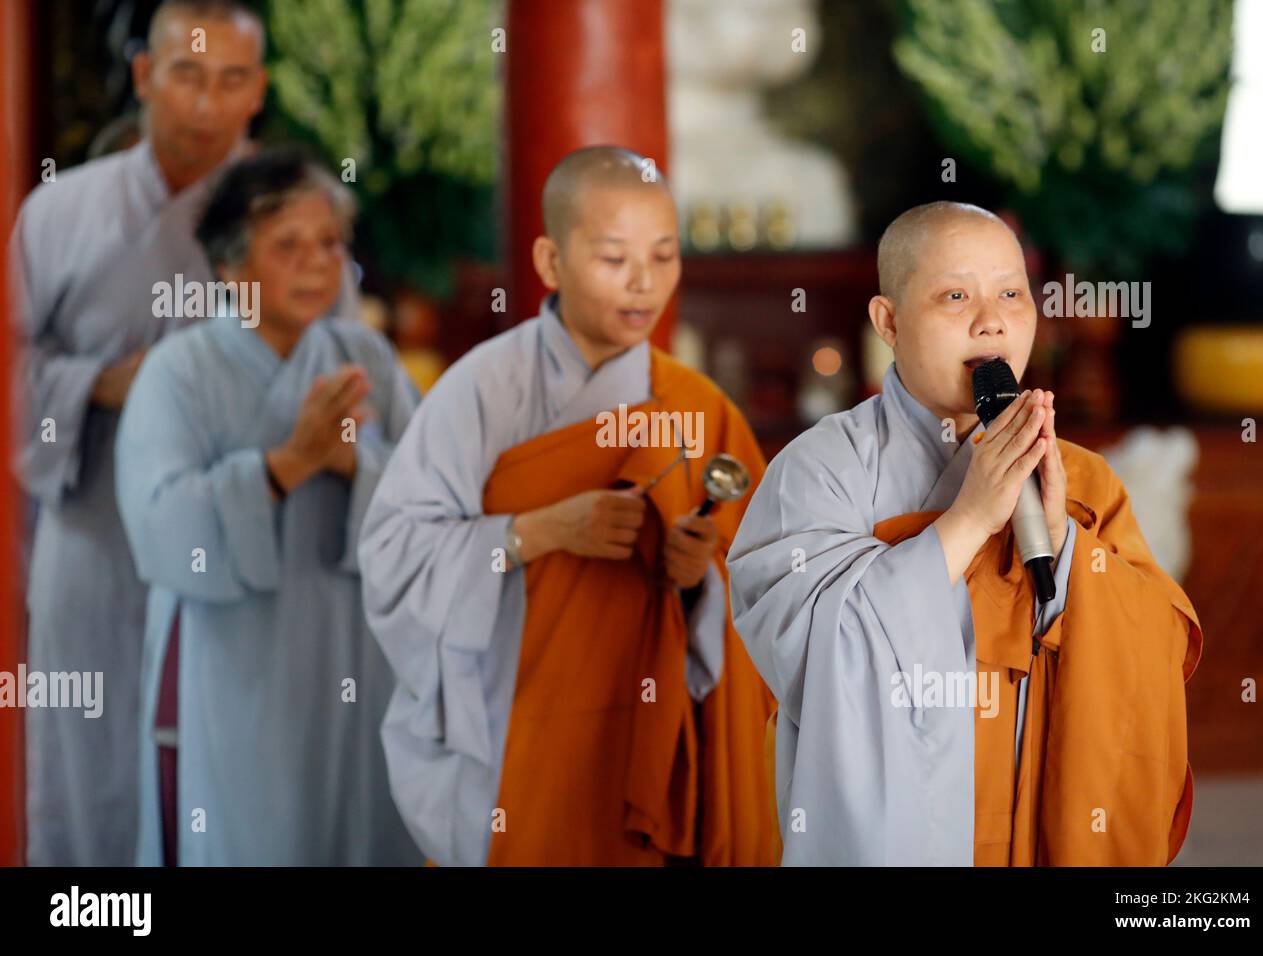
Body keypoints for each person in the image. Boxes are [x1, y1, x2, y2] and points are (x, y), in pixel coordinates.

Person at [727, 201, 1203, 866]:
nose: (992, 318)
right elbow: (813, 660)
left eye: (1012, 293)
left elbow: (1157, 652)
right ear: (888, 322)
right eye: (955, 295)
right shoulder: (818, 470)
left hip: (1043, 821)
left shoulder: (1080, 478)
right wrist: (971, 520)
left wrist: (1065, 548)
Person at [359, 146, 776, 866]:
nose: (644, 283)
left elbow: (771, 587)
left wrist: (701, 580)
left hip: (649, 741)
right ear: (551, 263)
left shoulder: (699, 409)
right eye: (614, 259)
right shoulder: (483, 390)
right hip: (514, 728)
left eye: (664, 256)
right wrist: (537, 531)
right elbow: (394, 554)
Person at [10, 0, 272, 866]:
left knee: (229, 748)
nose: (205, 104)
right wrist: (99, 386)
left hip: (232, 531)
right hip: (92, 521)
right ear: (144, 77)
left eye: (230, 80)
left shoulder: (289, 218)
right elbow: (11, 365)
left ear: (257, 93)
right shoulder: (58, 213)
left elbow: (332, 376)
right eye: (187, 76)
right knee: (87, 752)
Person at [115, 148, 421, 865]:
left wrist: (354, 464)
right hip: (232, 659)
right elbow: (160, 529)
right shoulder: (177, 374)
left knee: (352, 822)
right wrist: (288, 466)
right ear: (230, 269)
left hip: (352, 654)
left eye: (329, 244)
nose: (318, 263)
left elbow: (434, 504)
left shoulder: (365, 359)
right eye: (288, 246)